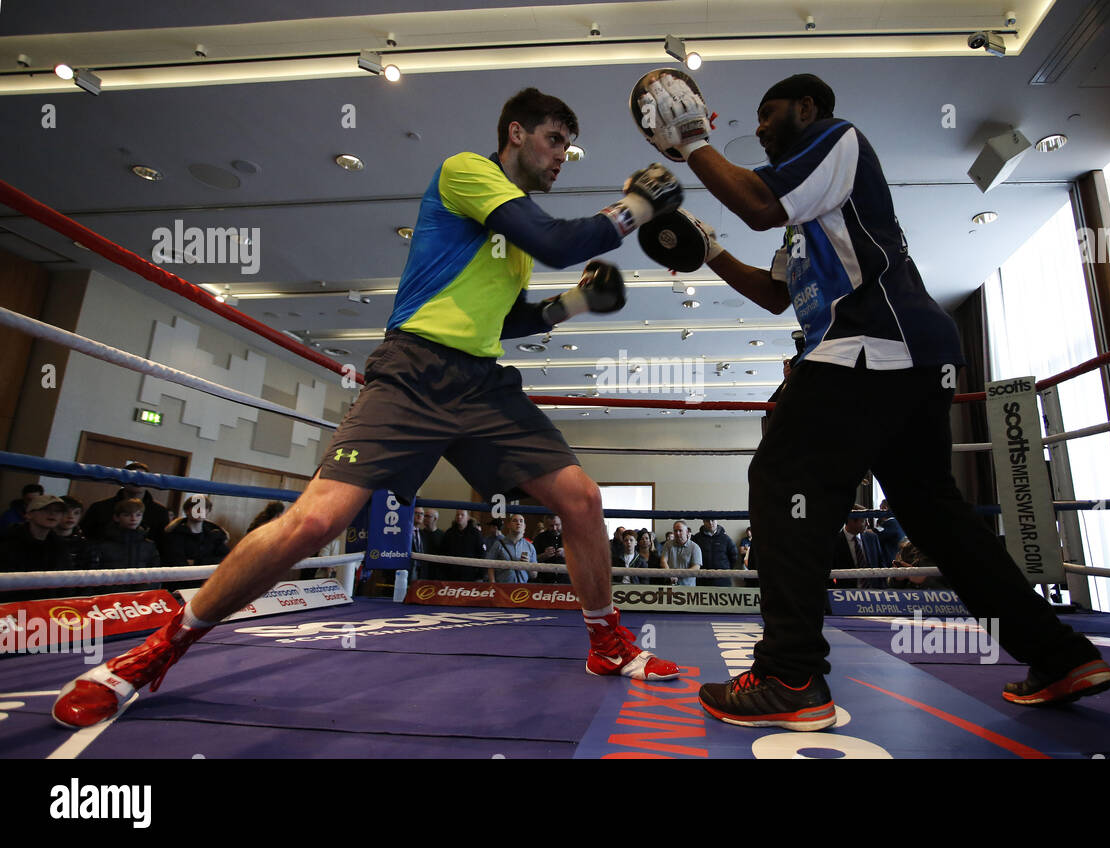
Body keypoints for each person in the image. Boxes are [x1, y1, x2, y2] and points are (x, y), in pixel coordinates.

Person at [52, 86, 684, 729]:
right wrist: (635, 206)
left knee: (582, 499)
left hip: (483, 384)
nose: (561, 159)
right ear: (516, 132)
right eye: (555, 142)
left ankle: (607, 645)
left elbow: (513, 317)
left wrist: (577, 304)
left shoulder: (514, 242)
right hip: (412, 372)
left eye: (568, 152)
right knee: (314, 523)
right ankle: (155, 653)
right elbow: (554, 241)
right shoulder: (467, 171)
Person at [637, 71, 1110, 729]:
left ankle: (790, 675)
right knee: (935, 515)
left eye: (771, 114)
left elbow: (754, 201)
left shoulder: (840, 142)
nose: (763, 126)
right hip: (902, 361)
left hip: (867, 346)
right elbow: (777, 295)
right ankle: (1059, 654)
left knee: (781, 483)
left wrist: (693, 139)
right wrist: (711, 250)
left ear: (808, 109)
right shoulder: (806, 221)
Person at [82, 462, 171, 548]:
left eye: (143, 477)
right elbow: (87, 540)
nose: (138, 481)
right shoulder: (99, 508)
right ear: (122, 480)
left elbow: (163, 546)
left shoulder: (160, 512)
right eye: (133, 476)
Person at [483, 513, 535, 583]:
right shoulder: (498, 544)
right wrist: (493, 583)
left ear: (524, 526)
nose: (518, 523)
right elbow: (490, 565)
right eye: (515, 520)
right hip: (502, 587)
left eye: (521, 521)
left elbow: (534, 575)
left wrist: (528, 565)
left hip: (522, 589)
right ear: (508, 525)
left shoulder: (530, 546)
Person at [693, 517, 738, 587]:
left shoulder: (726, 538)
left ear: (716, 521)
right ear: (703, 522)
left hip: (723, 580)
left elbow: (734, 556)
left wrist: (725, 570)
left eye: (713, 520)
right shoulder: (696, 538)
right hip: (702, 580)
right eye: (707, 520)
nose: (710, 523)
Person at [661, 520, 702, 586]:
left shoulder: (695, 547)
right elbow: (663, 561)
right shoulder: (667, 544)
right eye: (675, 531)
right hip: (669, 584)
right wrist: (670, 574)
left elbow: (696, 567)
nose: (677, 533)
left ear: (686, 532)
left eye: (680, 530)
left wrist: (679, 575)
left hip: (688, 587)